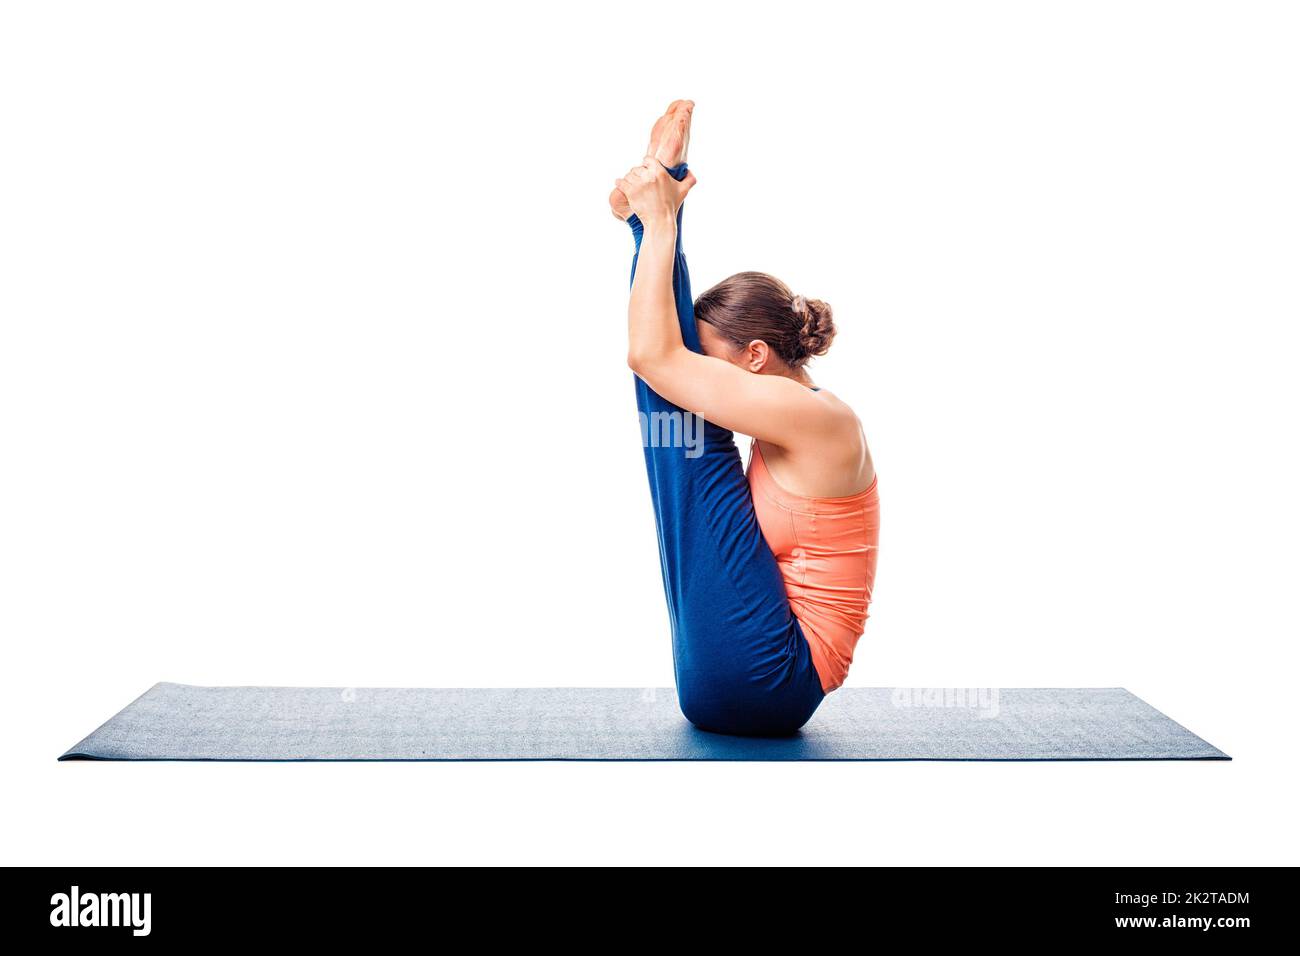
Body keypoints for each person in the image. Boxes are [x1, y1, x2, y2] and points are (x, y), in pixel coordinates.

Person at [614, 101, 879, 737]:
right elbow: (661, 360)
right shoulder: (793, 415)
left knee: (676, 415)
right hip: (744, 677)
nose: (700, 376)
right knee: (677, 415)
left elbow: (651, 356)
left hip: (770, 679)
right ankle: (658, 209)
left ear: (755, 356)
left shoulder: (818, 418)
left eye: (711, 361)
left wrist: (656, 221)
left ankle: (658, 212)